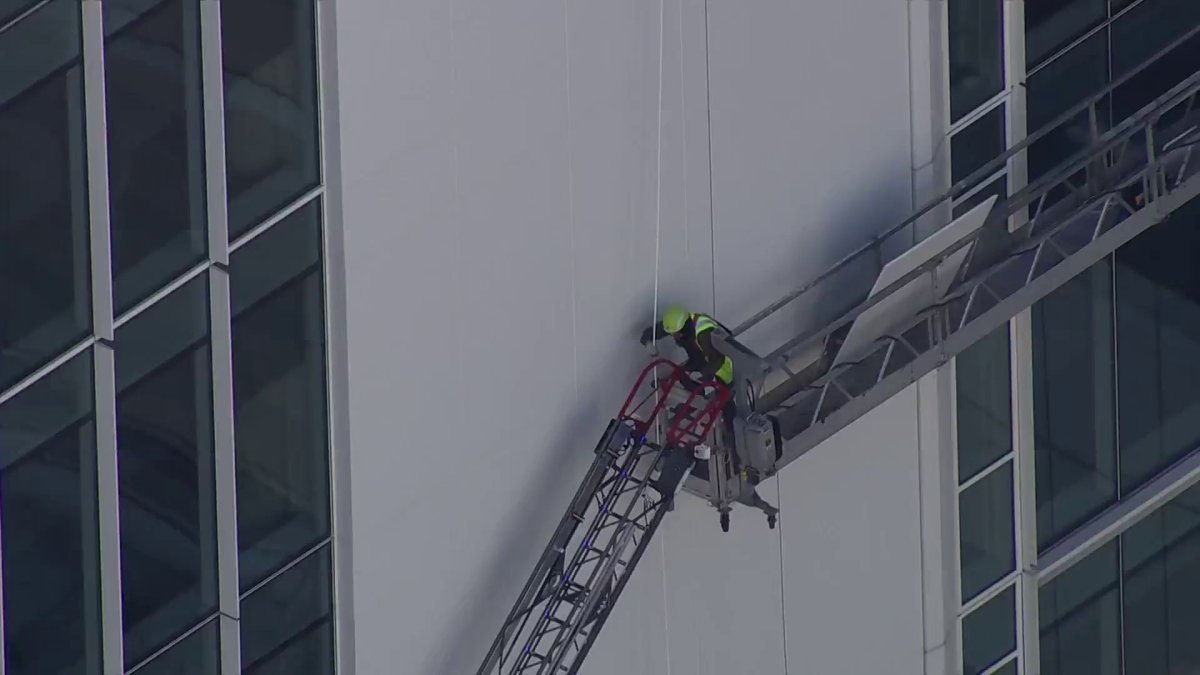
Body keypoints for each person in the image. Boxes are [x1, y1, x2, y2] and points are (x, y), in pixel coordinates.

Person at [640, 305, 737, 450]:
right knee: (689, 384)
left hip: (724, 368)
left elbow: (718, 360)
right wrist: (648, 341)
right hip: (700, 359)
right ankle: (687, 408)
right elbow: (655, 332)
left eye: (676, 334)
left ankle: (733, 438)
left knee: (725, 402)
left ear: (684, 327)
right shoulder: (682, 326)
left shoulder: (703, 333)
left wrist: (703, 376)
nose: (675, 337)